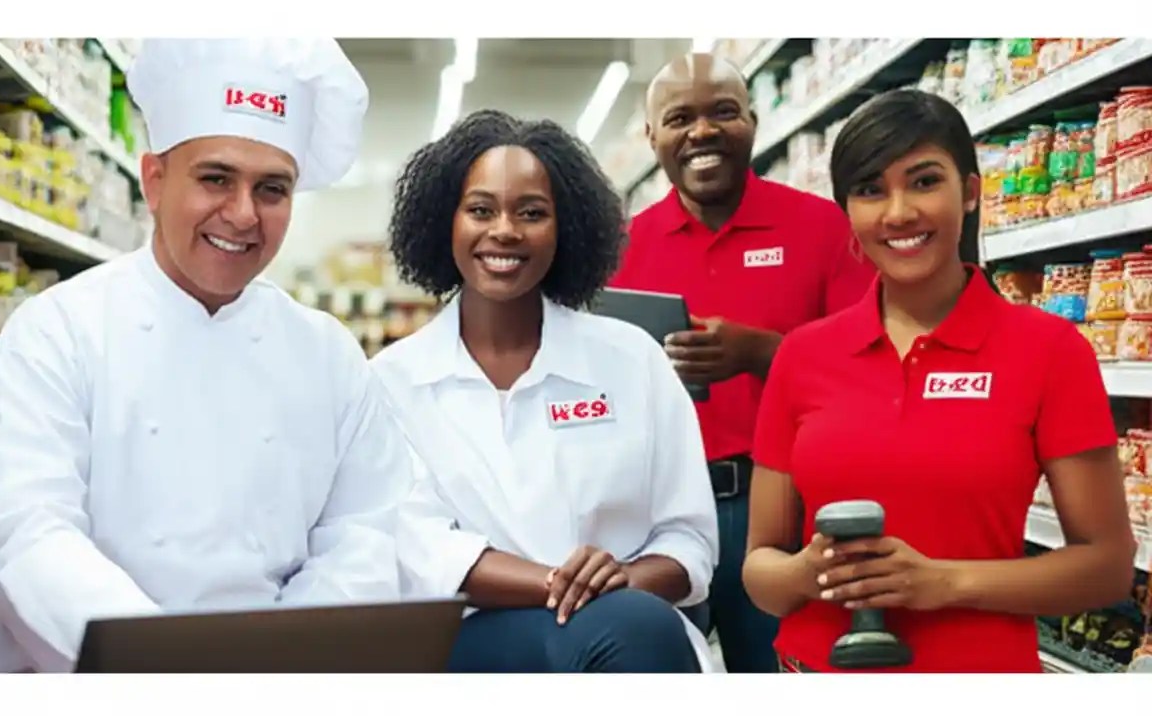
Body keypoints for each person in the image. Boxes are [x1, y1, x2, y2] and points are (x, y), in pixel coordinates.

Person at [0, 39, 411, 673]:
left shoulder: (328, 354)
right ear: (154, 179)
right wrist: (165, 667)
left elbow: (367, 532)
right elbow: (22, 534)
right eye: (215, 178)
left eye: (273, 189)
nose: (243, 214)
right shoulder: (58, 331)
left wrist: (279, 661)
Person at [742, 89, 1136, 673]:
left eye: (924, 181)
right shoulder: (803, 356)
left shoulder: (1050, 352)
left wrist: (942, 582)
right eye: (870, 190)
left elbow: (1105, 568)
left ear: (971, 191)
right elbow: (760, 573)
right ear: (847, 210)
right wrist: (811, 571)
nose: (898, 212)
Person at [370, 109, 719, 673]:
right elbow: (417, 549)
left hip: (628, 636)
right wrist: (562, 584)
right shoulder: (392, 382)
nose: (505, 230)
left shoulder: (633, 361)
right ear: (445, 222)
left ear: (568, 227)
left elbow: (689, 540)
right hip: (472, 644)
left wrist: (621, 582)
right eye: (480, 210)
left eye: (532, 212)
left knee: (633, 628)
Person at [608, 52, 877, 672]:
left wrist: (762, 353)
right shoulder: (621, 251)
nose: (702, 132)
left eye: (723, 112)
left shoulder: (823, 227)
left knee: (781, 670)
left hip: (786, 511)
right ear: (653, 138)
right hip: (659, 515)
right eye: (679, 118)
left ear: (753, 120)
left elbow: (868, 373)